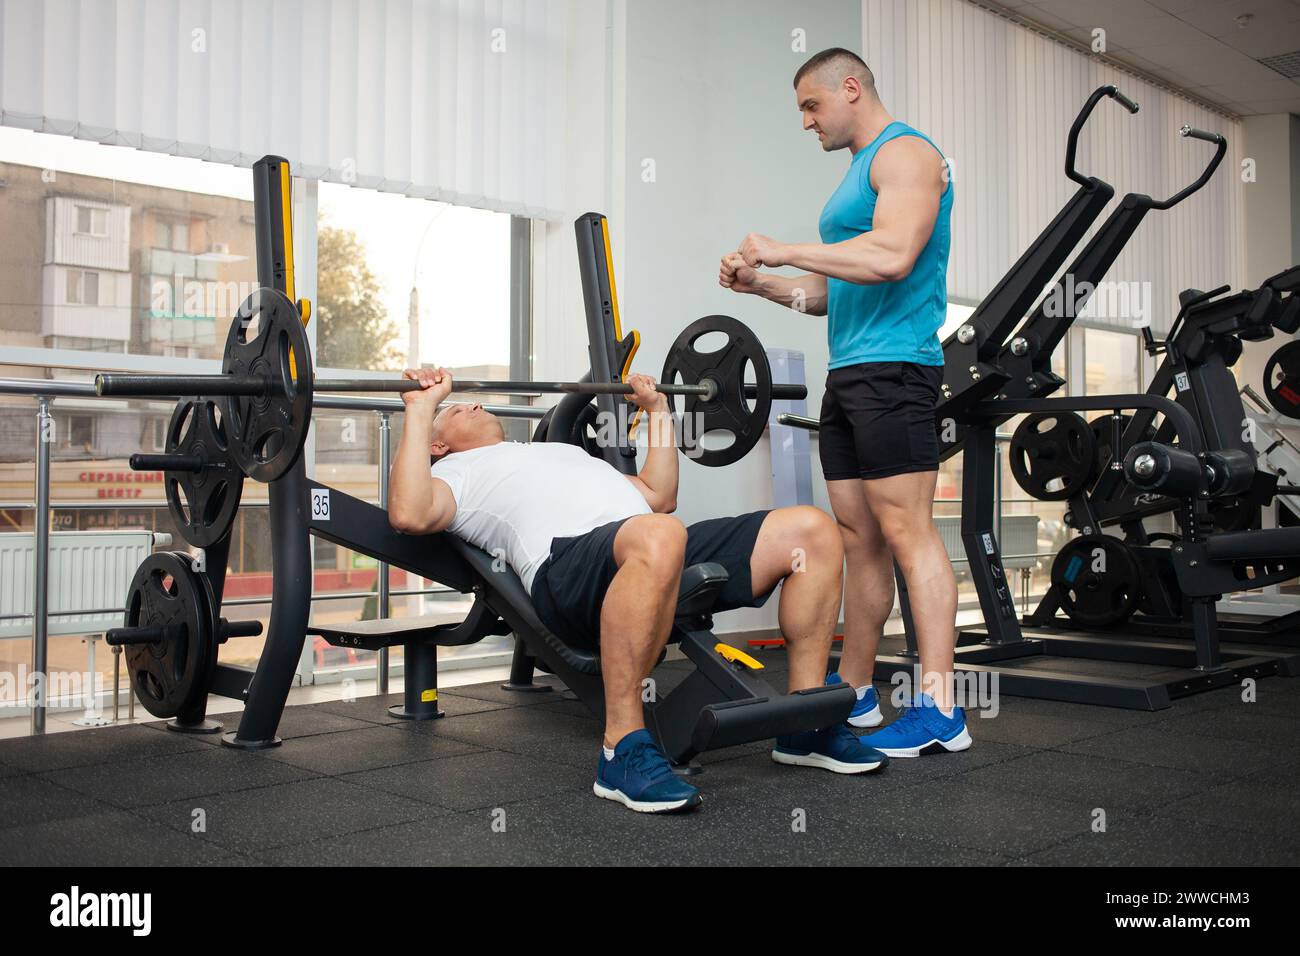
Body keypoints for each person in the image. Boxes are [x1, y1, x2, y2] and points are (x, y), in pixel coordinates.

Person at [387, 366, 888, 814]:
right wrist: (421, 407)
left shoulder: (558, 452)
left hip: (645, 541)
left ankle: (806, 723)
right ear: (437, 445)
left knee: (812, 529)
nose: (473, 402)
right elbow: (408, 513)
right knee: (658, 534)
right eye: (455, 409)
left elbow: (659, 496)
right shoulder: (453, 473)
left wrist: (659, 411)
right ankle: (620, 748)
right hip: (568, 569)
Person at [719, 47, 970, 758]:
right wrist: (761, 286)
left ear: (850, 89)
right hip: (853, 373)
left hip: (898, 370)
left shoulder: (908, 156)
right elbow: (838, 293)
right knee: (859, 539)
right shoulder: (857, 179)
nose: (807, 123)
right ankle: (853, 691)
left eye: (811, 107)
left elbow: (891, 256)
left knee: (907, 532)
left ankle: (941, 708)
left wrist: (782, 250)